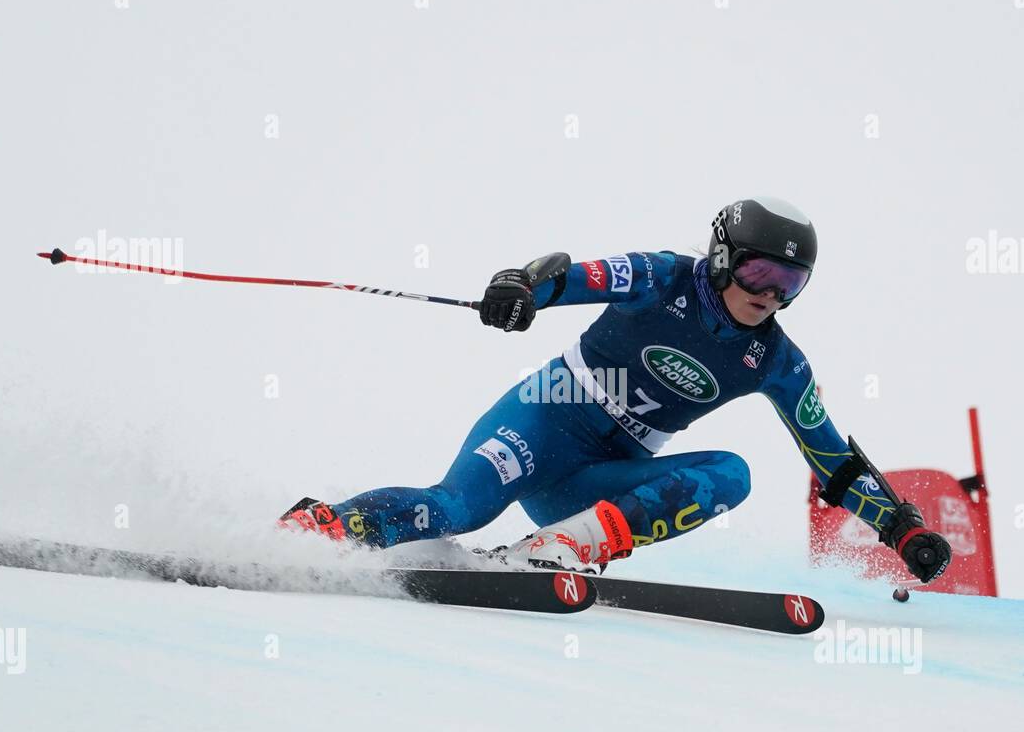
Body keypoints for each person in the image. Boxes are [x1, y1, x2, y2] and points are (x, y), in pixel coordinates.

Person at [281, 197, 952, 582]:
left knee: (732, 473)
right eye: (758, 272)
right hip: (546, 420)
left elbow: (833, 462)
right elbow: (571, 276)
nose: (771, 294)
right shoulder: (665, 277)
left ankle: (564, 546)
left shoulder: (777, 360)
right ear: (723, 257)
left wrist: (900, 526)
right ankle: (325, 526)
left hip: (601, 480)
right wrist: (522, 290)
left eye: (791, 284)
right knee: (458, 508)